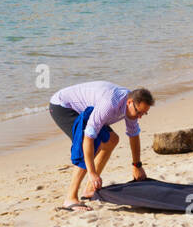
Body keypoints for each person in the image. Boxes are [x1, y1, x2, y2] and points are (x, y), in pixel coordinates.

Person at [48, 82, 154, 210]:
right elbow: (88, 138)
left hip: (89, 109)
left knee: (112, 140)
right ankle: (70, 198)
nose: (140, 117)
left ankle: (89, 189)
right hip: (63, 107)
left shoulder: (132, 108)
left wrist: (137, 165)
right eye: (138, 112)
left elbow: (134, 135)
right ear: (129, 102)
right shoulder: (109, 105)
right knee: (90, 145)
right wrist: (92, 173)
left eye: (143, 113)